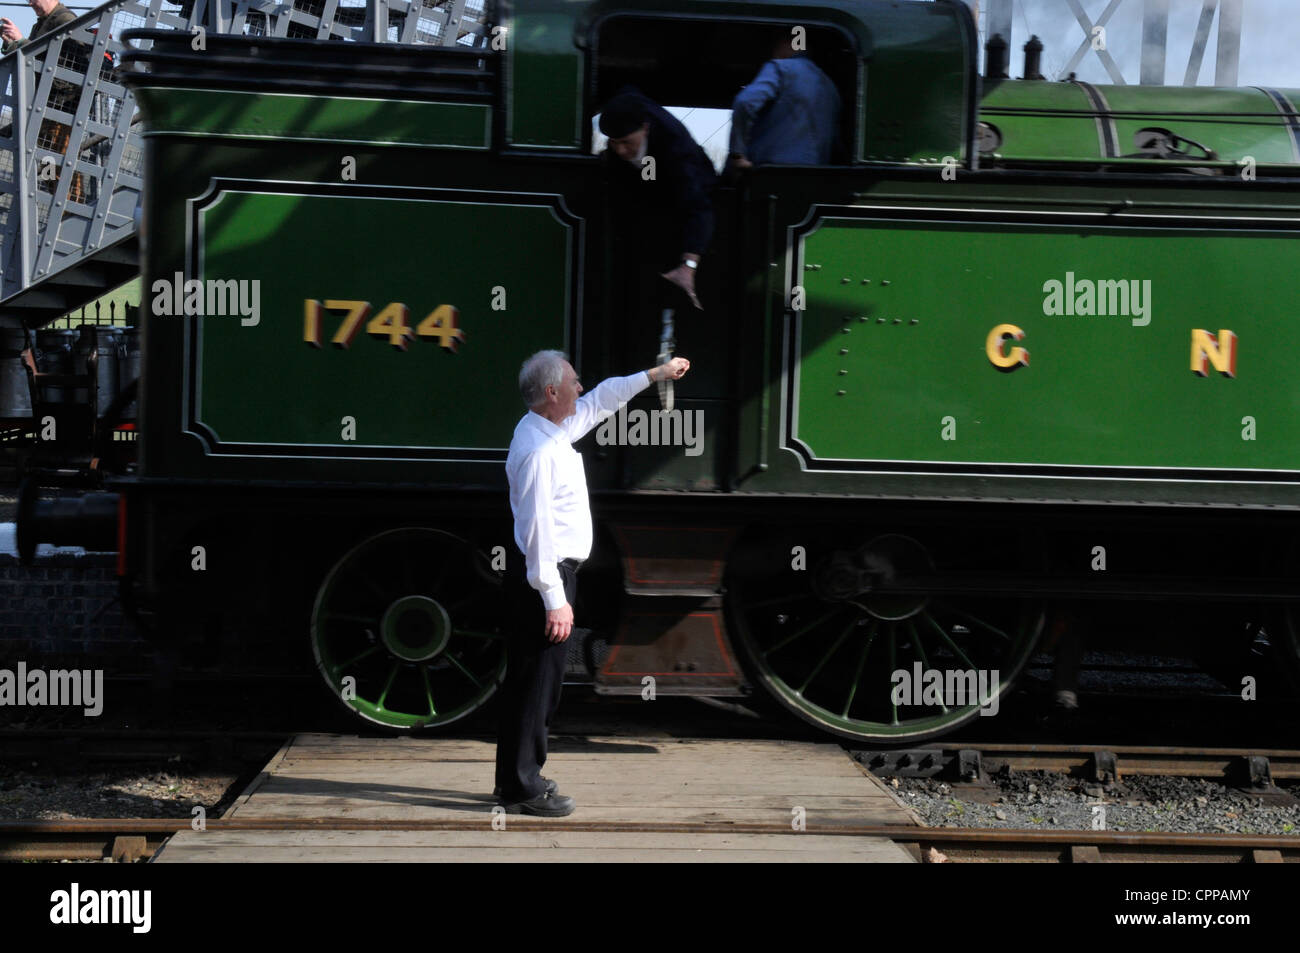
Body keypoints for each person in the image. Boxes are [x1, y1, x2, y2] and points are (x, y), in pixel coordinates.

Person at [495, 349, 691, 817]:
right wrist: (554, 600)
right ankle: (523, 787)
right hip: (547, 577)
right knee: (538, 685)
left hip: (549, 577)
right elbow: (536, 531)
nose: (581, 388)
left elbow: (603, 400)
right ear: (552, 392)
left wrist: (655, 374)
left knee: (535, 683)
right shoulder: (540, 451)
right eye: (574, 382)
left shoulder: (550, 428)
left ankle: (516, 780)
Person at [599, 88, 716, 310]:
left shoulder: (678, 151)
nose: (621, 151)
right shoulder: (619, 143)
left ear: (645, 128)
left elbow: (699, 208)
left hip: (682, 202)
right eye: (614, 143)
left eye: (626, 142)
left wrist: (689, 265)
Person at [2, 0, 85, 205]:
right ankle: (55, 208)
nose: (31, 3)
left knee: (62, 169)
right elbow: (35, 61)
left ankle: (70, 211)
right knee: (48, 167)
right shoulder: (42, 23)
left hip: (61, 110)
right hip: (45, 110)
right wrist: (12, 43)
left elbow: (63, 70)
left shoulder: (64, 20)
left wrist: (21, 42)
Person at [728, 29, 842, 168]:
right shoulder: (831, 88)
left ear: (789, 43)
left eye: (775, 45)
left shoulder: (780, 68)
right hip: (815, 180)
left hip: (771, 175)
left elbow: (744, 103)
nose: (772, 53)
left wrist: (737, 155)